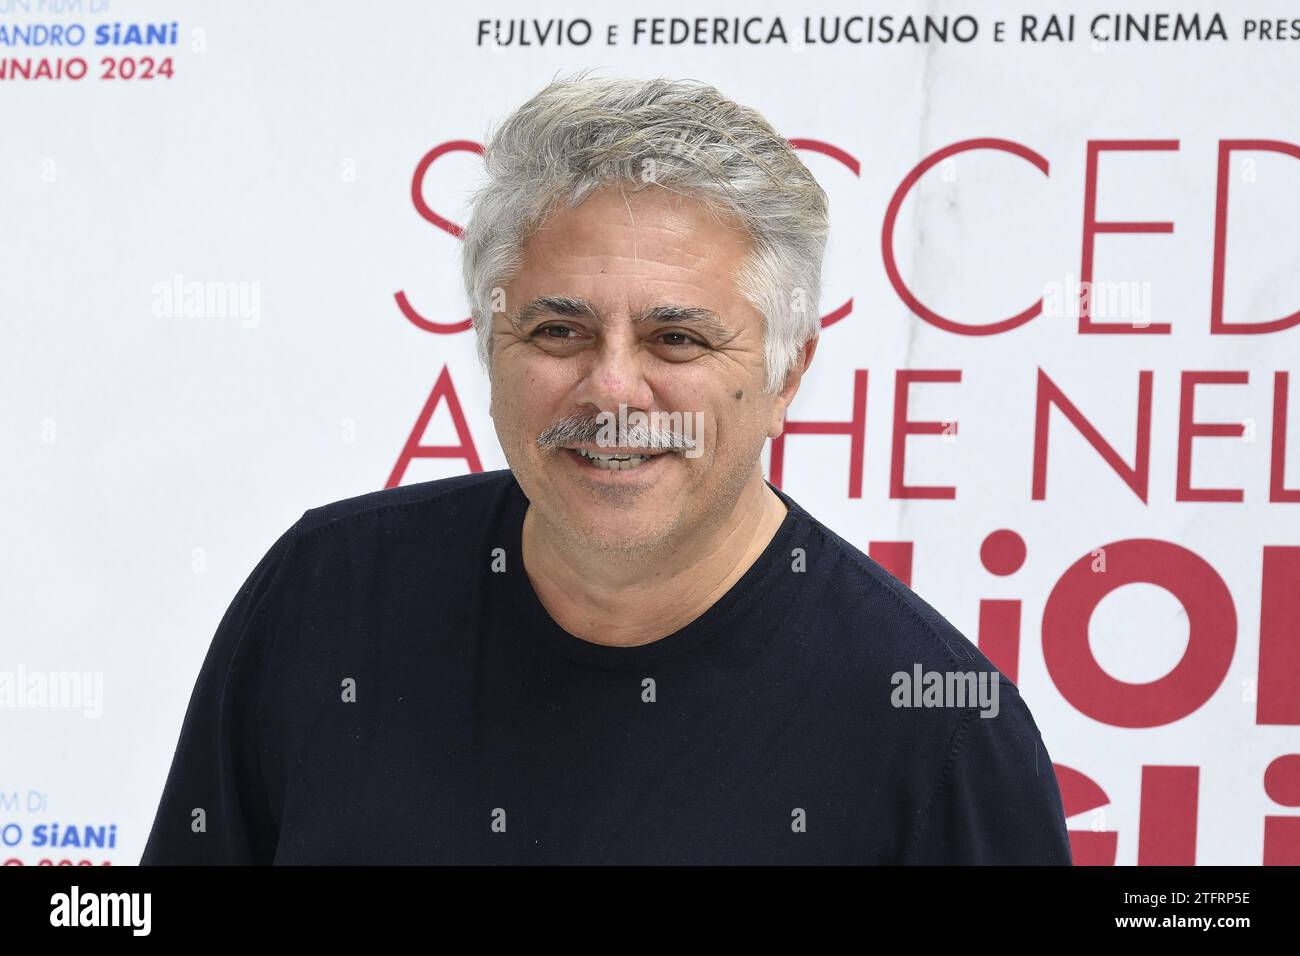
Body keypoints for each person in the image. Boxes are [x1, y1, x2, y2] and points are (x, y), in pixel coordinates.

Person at [140, 71, 1072, 865]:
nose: (612, 389)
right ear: (489, 345)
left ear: (787, 373)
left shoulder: (938, 732)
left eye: (677, 338)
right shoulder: (328, 594)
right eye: (559, 331)